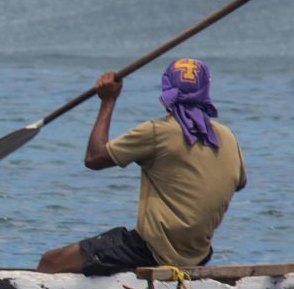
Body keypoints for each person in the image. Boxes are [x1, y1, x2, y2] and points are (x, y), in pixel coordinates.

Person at [38, 56, 246, 274]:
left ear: (167, 90)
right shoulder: (227, 137)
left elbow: (94, 157)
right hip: (198, 254)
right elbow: (239, 183)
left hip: (151, 250)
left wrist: (108, 100)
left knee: (51, 262)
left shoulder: (158, 131)